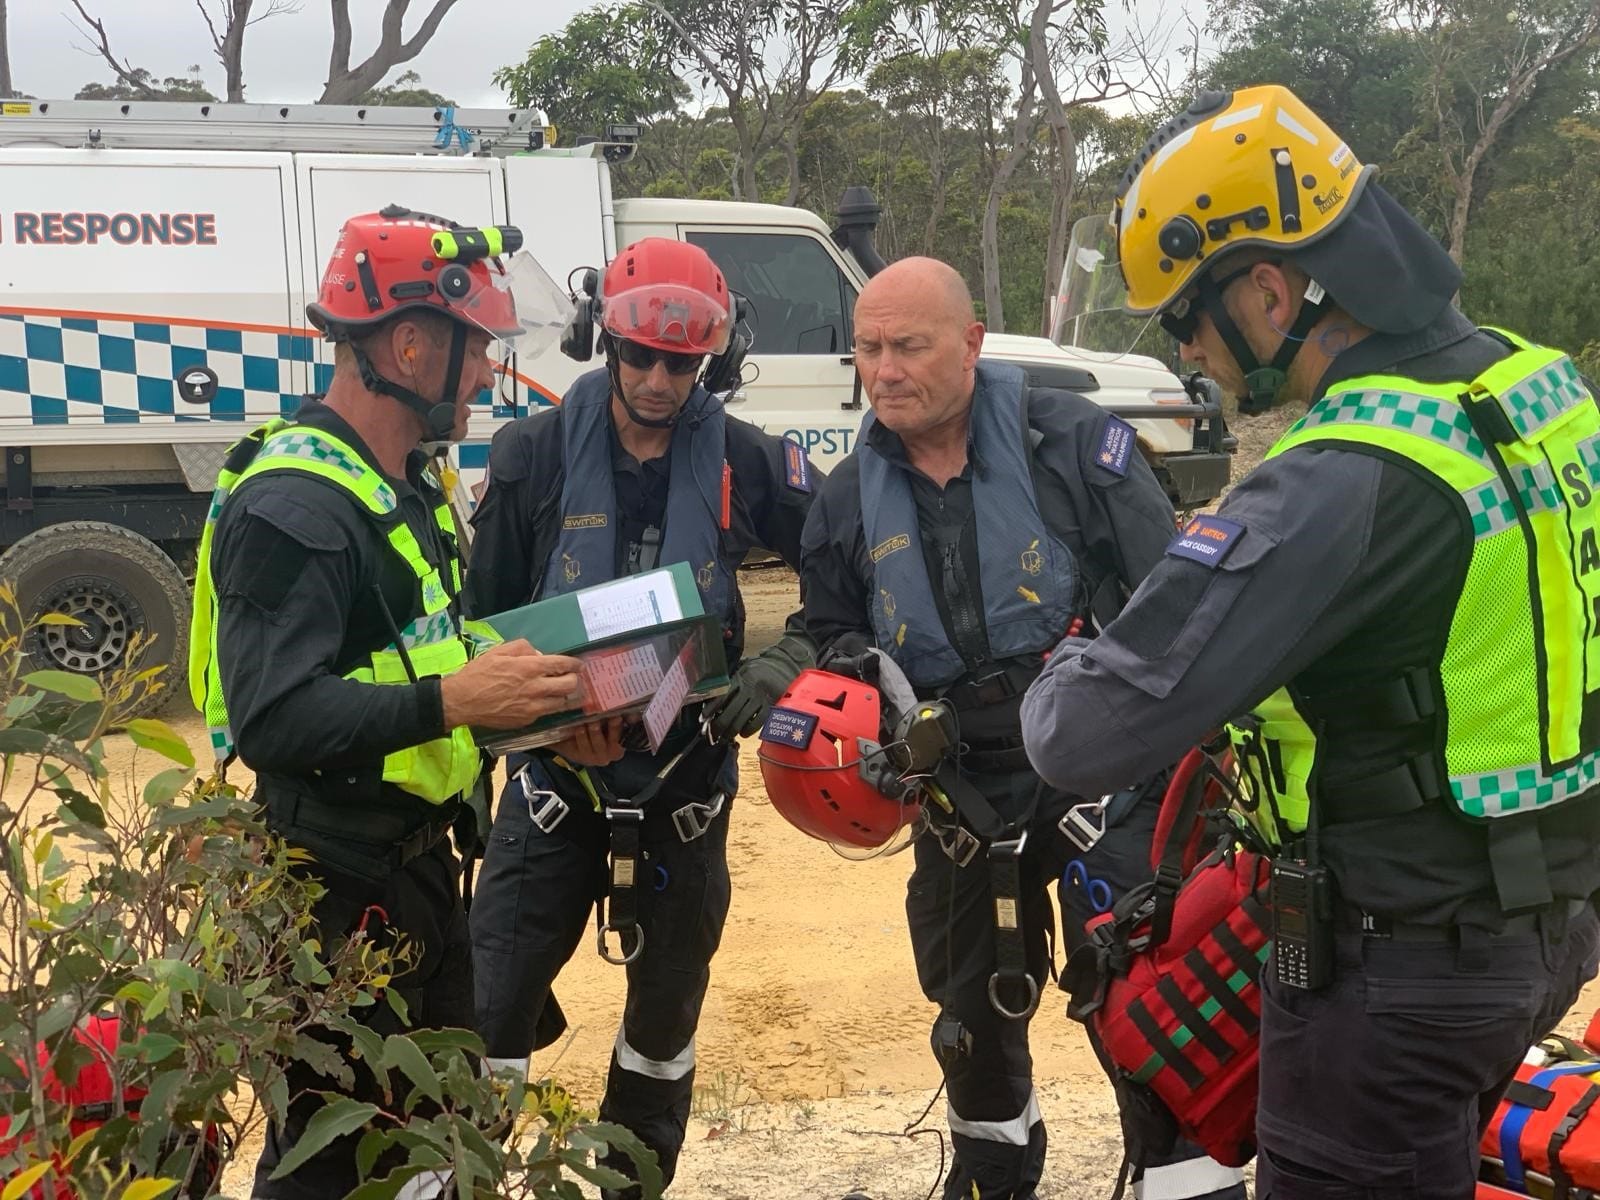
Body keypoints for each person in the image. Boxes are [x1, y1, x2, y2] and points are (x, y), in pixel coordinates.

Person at [1020, 83, 1600, 1199]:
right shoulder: (1540, 389)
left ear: (1270, 291)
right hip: (1547, 923)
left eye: (1189, 320)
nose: (1196, 357)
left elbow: (1079, 735)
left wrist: (1083, 649)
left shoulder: (1335, 477)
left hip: (1396, 963)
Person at [799, 255, 1237, 1200]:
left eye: (908, 347)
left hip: (1099, 775)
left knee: (1150, 1009)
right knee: (969, 1022)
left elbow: (1175, 600)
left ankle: (1183, 1180)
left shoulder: (1077, 446)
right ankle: (994, 1172)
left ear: (970, 345)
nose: (885, 371)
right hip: (958, 793)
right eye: (868, 349)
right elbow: (830, 630)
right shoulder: (845, 497)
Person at [188, 207, 585, 1197]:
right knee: (332, 1162)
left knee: (425, 1148)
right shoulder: (295, 507)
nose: (489, 372)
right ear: (410, 344)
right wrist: (453, 699)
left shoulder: (400, 482)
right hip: (330, 894)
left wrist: (541, 705)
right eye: (477, 349)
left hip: (414, 874)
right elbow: (275, 720)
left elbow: (416, 664)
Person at [462, 237, 816, 1195]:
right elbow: (477, 632)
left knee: (662, 1032)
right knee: (487, 1017)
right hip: (551, 792)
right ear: (602, 342)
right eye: (641, 357)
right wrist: (529, 729)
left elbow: (845, 568)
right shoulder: (529, 457)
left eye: (684, 363)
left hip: (685, 784)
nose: (660, 381)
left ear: (714, 362)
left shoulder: (745, 460)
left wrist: (786, 660)